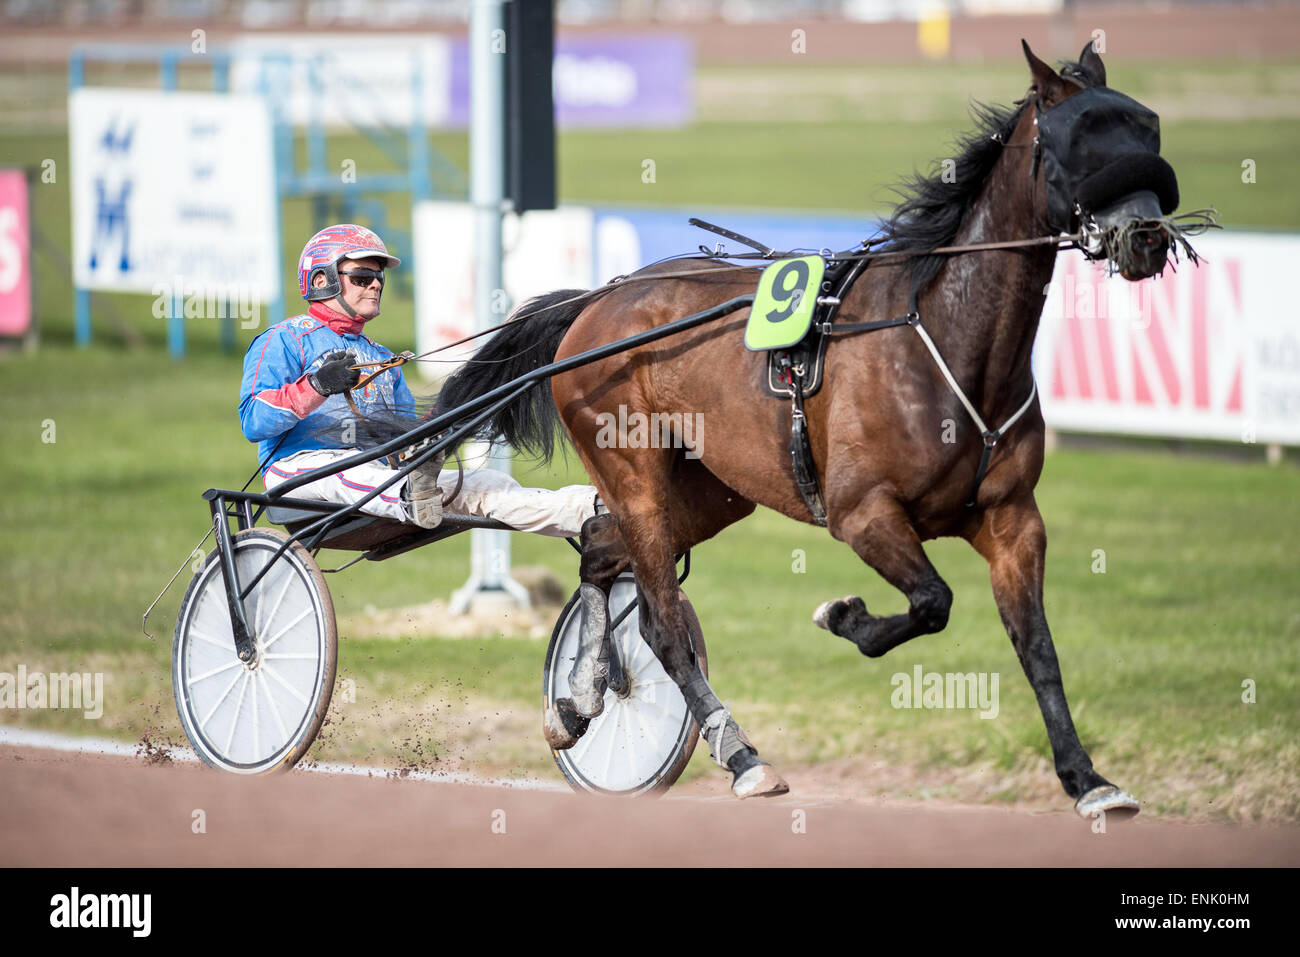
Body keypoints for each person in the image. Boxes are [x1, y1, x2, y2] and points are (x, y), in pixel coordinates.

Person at [239, 223, 599, 537]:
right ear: (322, 281)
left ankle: (590, 510)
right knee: (352, 475)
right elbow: (254, 420)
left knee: (486, 484)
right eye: (362, 277)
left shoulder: (382, 357)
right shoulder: (284, 338)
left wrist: (443, 422)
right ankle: (409, 495)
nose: (375, 285)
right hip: (297, 469)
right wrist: (316, 387)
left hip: (377, 474)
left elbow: (403, 437)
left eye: (379, 278)